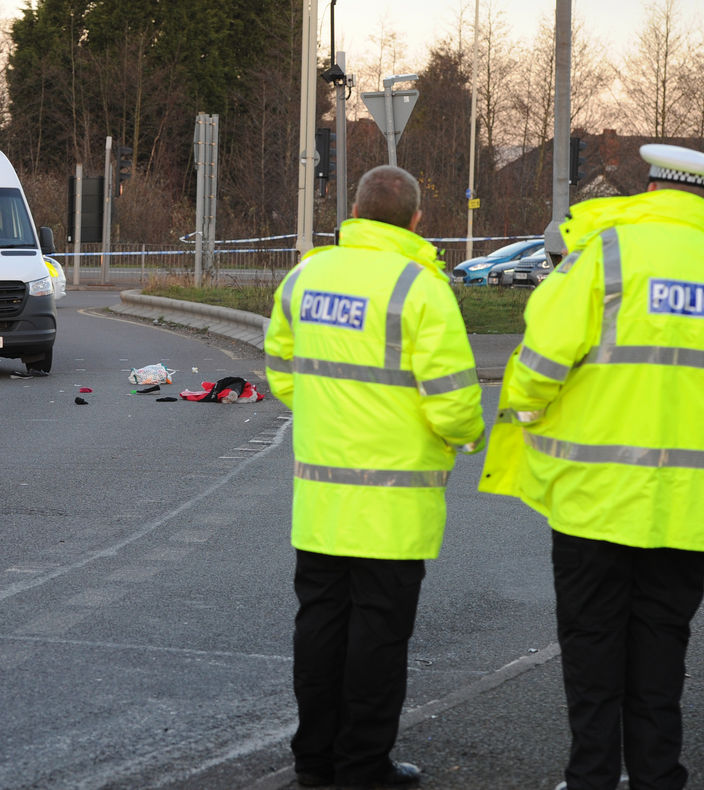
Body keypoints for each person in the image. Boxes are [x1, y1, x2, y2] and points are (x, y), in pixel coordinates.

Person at [481, 144, 704, 790]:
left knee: (592, 648)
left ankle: (592, 776)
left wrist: (528, 410)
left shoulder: (605, 254)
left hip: (593, 501)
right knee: (663, 649)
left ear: (650, 188)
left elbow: (541, 358)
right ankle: (658, 776)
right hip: (687, 507)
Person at [265, 165, 485, 789]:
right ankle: (363, 765)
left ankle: (314, 760)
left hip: (321, 498)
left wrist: (325, 414)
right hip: (394, 505)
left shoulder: (306, 276)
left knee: (319, 627)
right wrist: (467, 438)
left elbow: (281, 367)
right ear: (416, 220)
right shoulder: (421, 288)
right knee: (378, 640)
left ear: (355, 214)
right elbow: (452, 401)